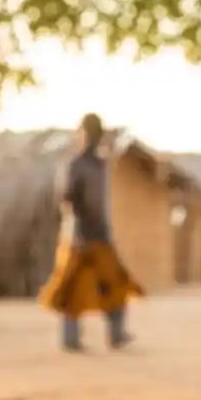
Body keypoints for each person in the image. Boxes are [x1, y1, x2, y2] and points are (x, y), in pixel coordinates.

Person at [38, 114, 143, 351]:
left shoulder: (101, 164)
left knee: (115, 284)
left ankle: (117, 334)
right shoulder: (75, 165)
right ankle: (70, 338)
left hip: (101, 235)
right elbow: (67, 197)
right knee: (71, 288)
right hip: (78, 236)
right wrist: (81, 226)